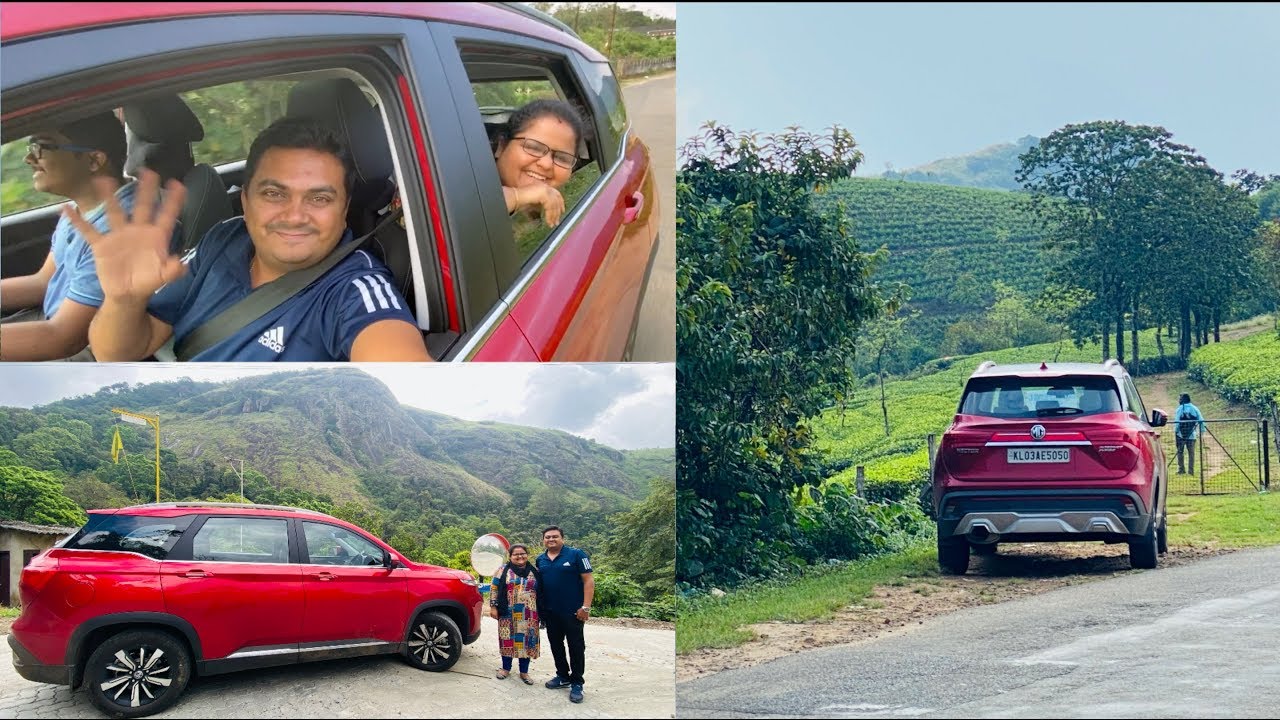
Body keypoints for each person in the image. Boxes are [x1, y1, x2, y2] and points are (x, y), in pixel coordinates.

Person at [68, 116, 432, 362]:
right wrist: (123, 301)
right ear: (244, 200)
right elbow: (120, 352)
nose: (294, 215)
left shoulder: (356, 290)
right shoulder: (224, 239)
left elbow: (408, 380)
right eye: (274, 194)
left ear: (344, 207)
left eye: (319, 198)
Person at [0, 113, 139, 361]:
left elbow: (64, 339)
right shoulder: (83, 210)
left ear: (94, 160)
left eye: (43, 147)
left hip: (81, 358)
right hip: (52, 322)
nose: (29, 158)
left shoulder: (119, 233)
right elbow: (43, 282)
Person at [494, 99, 586, 229]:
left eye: (562, 158)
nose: (546, 164)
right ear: (502, 146)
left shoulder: (571, 202)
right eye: (533, 147)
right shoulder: (467, 181)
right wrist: (518, 196)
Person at [534, 525, 594, 705]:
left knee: (576, 647)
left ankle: (577, 682)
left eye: (555, 536)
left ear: (562, 538)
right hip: (551, 612)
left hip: (573, 612)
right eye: (547, 537)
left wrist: (586, 607)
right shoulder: (540, 559)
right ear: (543, 540)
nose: (551, 540)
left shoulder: (577, 555)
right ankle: (562, 676)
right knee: (556, 645)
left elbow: (589, 581)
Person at [488, 544, 542, 684]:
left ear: (527, 554)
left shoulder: (534, 571)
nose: (519, 556)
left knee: (527, 642)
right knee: (507, 640)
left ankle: (524, 672)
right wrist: (493, 607)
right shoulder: (502, 570)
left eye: (522, 553)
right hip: (507, 612)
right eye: (516, 554)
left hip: (529, 613)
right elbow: (494, 588)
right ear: (510, 556)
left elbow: (542, 591)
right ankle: (506, 669)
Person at [1174, 393, 1206, 475]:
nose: (1179, 400)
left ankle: (1181, 469)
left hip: (1180, 435)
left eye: (1180, 399)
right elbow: (1201, 420)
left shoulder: (1180, 409)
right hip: (1192, 435)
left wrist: (1176, 431)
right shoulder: (1195, 408)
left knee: (1180, 452)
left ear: (1182, 400)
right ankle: (1191, 471)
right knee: (1191, 453)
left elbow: (1177, 422)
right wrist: (1202, 431)